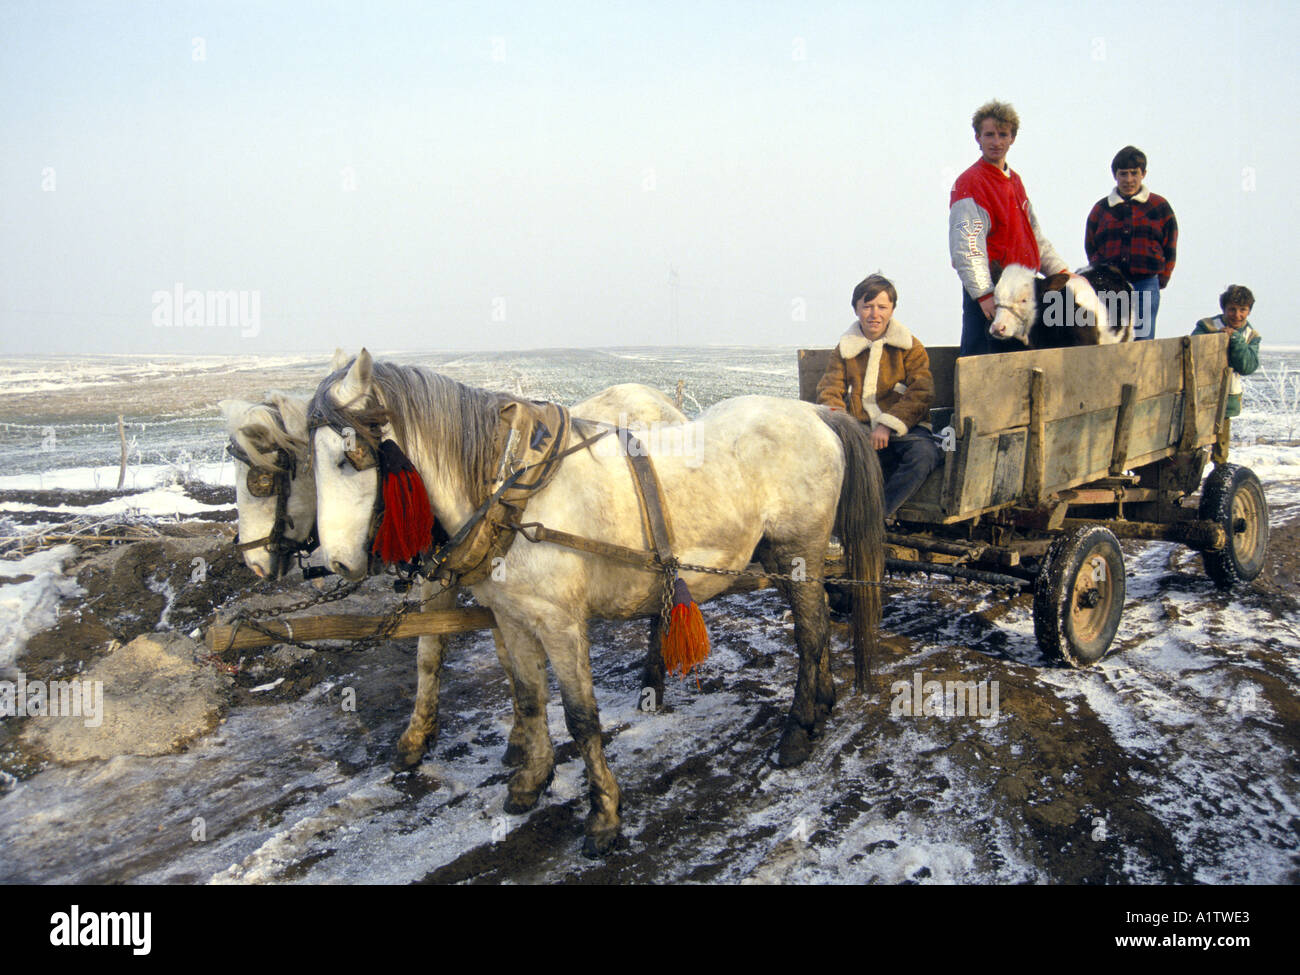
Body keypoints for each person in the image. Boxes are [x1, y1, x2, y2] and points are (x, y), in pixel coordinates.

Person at [949, 99, 1070, 357]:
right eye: (989, 134)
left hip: (1023, 291)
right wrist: (984, 295)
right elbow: (968, 245)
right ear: (977, 138)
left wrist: (1061, 271)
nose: (996, 141)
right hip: (992, 289)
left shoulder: (1014, 182)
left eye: (1003, 134)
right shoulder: (971, 183)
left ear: (1012, 138)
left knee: (1021, 359)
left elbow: (1033, 235)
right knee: (981, 359)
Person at [817, 274, 943, 518]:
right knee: (833, 461)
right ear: (856, 309)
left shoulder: (910, 347)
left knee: (924, 455)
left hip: (906, 428)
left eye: (882, 307)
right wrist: (846, 429)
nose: (875, 314)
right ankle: (832, 520)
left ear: (892, 309)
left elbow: (922, 391)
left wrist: (887, 424)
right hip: (859, 427)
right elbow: (829, 391)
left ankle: (876, 516)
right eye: (867, 306)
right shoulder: (844, 350)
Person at [1084, 145, 1178, 340]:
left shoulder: (1159, 206)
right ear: (1115, 176)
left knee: (1142, 339)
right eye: (1123, 174)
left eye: (1134, 173)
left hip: (1146, 282)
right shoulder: (1101, 209)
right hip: (1109, 286)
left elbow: (1170, 244)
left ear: (1143, 174)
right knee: (1110, 337)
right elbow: (1091, 245)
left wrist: (1163, 277)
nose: (1128, 180)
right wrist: (1100, 274)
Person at [1193, 285, 1261, 464]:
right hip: (1200, 393)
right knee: (1192, 440)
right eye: (1232, 309)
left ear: (1249, 311)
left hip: (1227, 397)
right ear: (1224, 309)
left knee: (1221, 448)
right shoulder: (1208, 326)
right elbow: (1193, 350)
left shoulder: (1250, 335)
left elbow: (1247, 366)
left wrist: (1236, 340)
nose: (1237, 315)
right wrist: (1217, 338)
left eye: (1242, 310)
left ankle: (1218, 480)